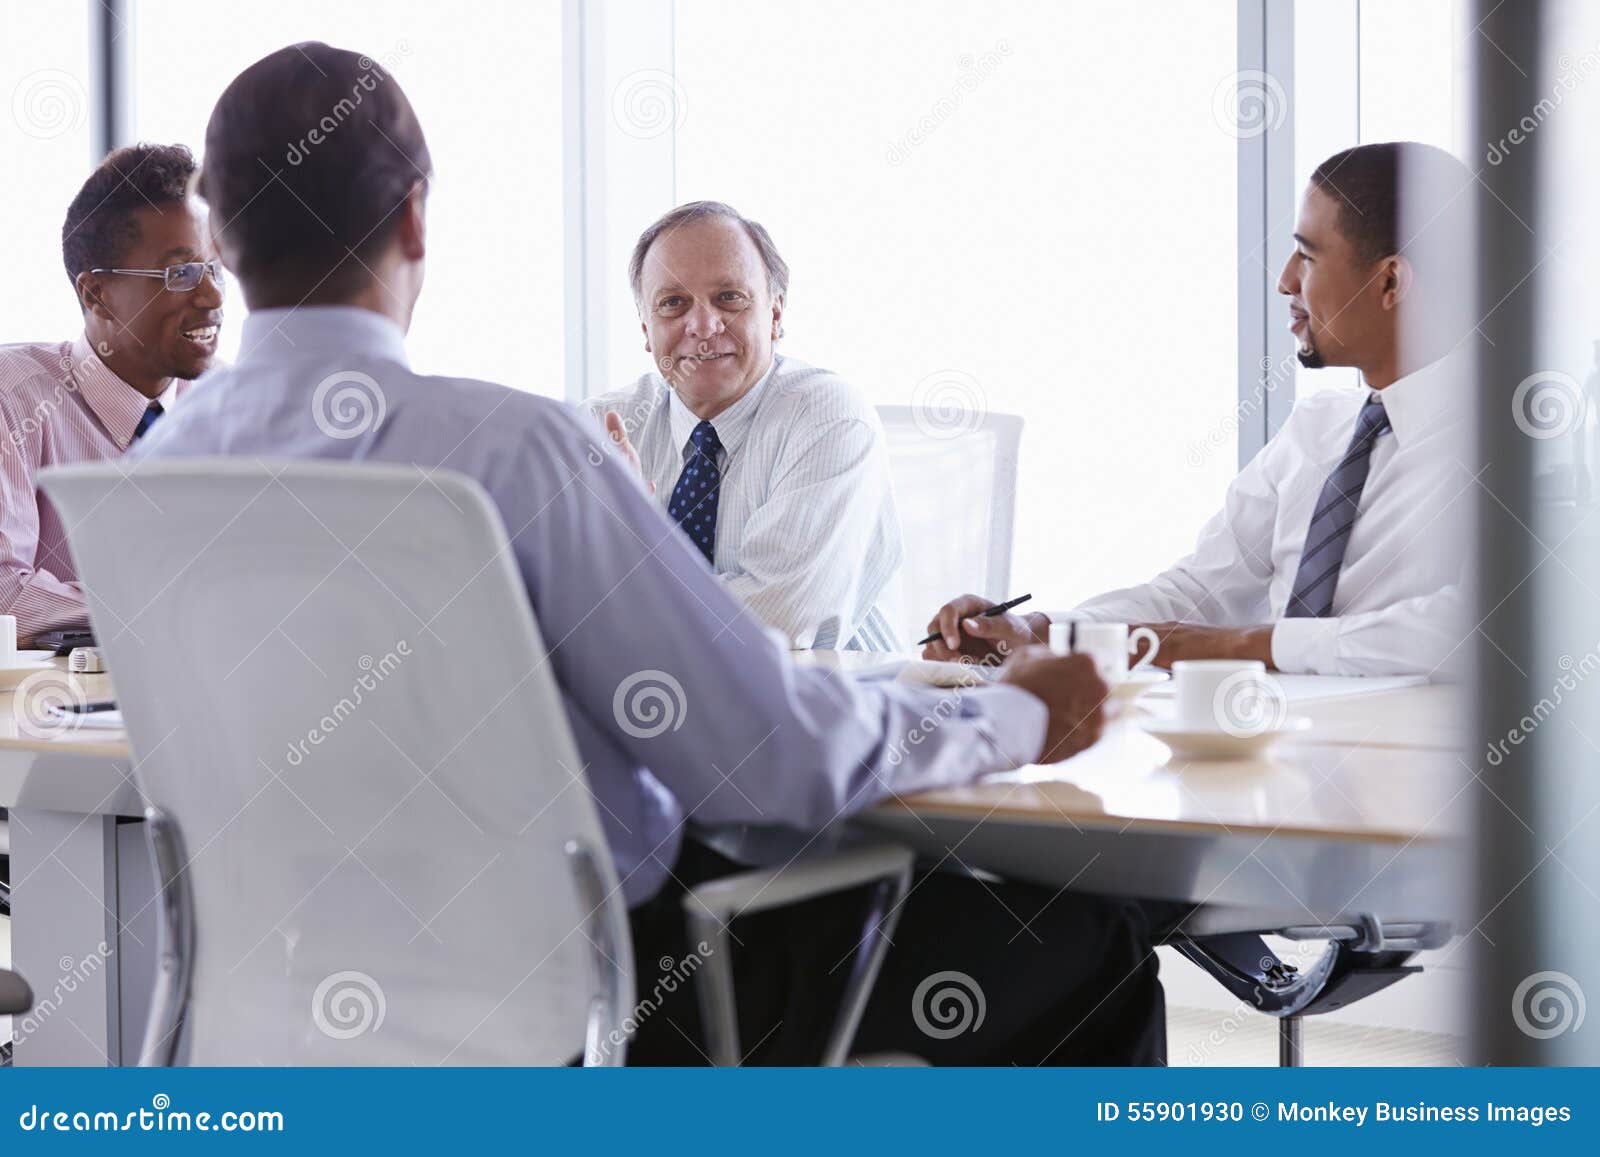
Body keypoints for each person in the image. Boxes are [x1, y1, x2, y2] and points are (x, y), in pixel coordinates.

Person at [132, 42, 1164, 1066]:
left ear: (220, 238)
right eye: (672, 302)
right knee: (1098, 943)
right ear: (413, 217)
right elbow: (767, 750)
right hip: (619, 997)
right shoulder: (512, 449)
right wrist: (1017, 711)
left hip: (295, 1005)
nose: (699, 325)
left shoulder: (161, 470)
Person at [926, 142, 1474, 679]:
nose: (1286, 280)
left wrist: (1243, 645)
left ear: (1390, 282)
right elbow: (1198, 595)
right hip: (1263, 742)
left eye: (1307, 256)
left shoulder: (1517, 443)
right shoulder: (1318, 429)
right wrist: (1038, 633)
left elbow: (1468, 628)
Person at [590, 202, 903, 650]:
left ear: (775, 315)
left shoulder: (832, 419)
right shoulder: (600, 428)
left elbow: (780, 621)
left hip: (819, 709)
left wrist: (636, 562)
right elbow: (539, 604)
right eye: (673, 303)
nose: (701, 325)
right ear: (645, 327)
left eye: (729, 298)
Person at [0, 143, 223, 644]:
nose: (211, 297)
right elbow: (4, 599)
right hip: (52, 713)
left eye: (215, 268)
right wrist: (173, 605)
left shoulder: (229, 405)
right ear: (96, 294)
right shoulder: (12, 400)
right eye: (182, 273)